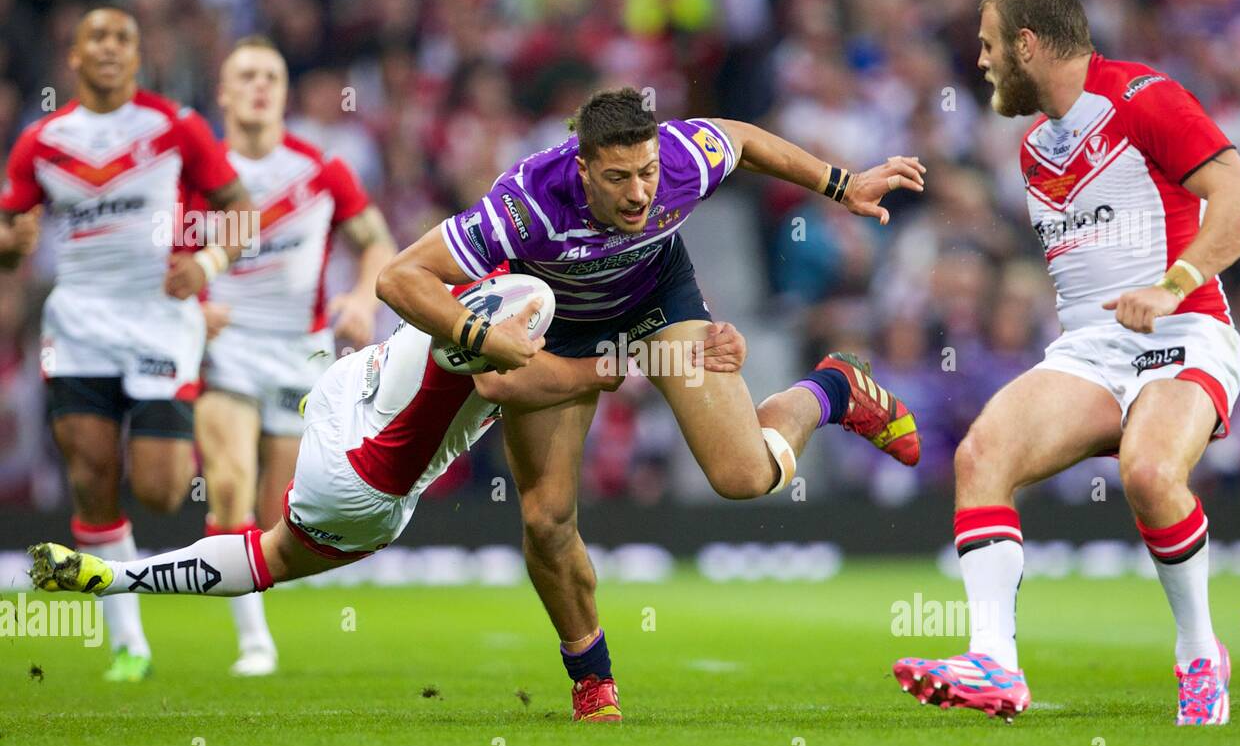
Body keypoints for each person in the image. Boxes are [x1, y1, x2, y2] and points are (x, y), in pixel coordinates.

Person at [376, 88, 926, 721]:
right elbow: (398, 278)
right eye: (617, 178)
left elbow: (742, 138)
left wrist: (842, 184)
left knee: (744, 476)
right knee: (547, 520)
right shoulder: (525, 206)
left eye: (646, 173)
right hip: (558, 329)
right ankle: (592, 679)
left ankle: (835, 388)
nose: (639, 193)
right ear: (582, 170)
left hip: (657, 300)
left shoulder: (682, 156)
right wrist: (484, 338)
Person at [894, 0, 1240, 725]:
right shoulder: (1033, 149)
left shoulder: (1144, 97)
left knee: (1152, 472)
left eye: (991, 44)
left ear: (1028, 44)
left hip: (1183, 329)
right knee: (981, 455)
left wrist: (1173, 283)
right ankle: (994, 664)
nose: (982, 61)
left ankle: (1200, 653)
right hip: (1091, 350)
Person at [28, 285, 748, 632]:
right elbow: (518, 371)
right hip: (377, 508)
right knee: (267, 557)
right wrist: (661, 355)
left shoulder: (524, 294)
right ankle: (113, 577)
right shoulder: (534, 298)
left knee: (325, 391)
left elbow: (499, 369)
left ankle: (122, 570)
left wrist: (650, 357)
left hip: (357, 468)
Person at [0, 5, 255, 682]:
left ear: (137, 56)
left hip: (159, 319)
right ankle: (129, 643)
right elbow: (9, 235)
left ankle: (143, 594)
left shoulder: (175, 127)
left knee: (164, 489)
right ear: (75, 57)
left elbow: (243, 212)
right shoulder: (41, 140)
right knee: (91, 476)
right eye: (97, 38)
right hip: (78, 323)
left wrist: (206, 267)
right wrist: (10, 245)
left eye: (123, 38)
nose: (110, 48)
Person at [189, 35, 397, 676]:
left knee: (281, 513)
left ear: (283, 93)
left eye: (271, 77)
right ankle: (255, 642)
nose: (259, 87)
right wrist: (192, 310)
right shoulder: (194, 175)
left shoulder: (321, 168)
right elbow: (157, 264)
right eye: (245, 76)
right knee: (228, 483)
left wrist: (364, 296)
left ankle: (231, 560)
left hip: (298, 355)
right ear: (223, 93)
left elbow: (377, 240)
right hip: (224, 349)